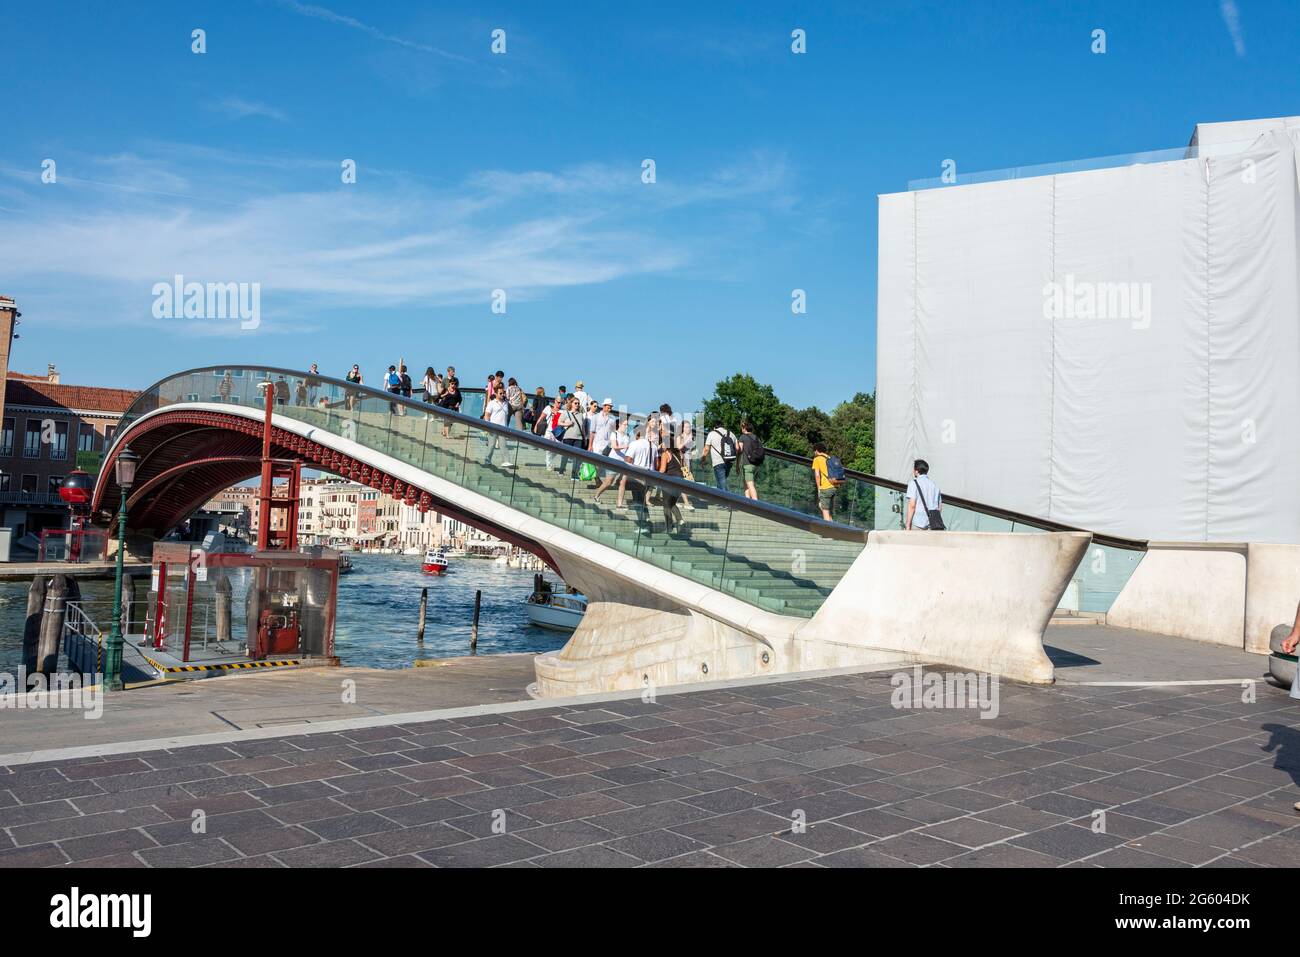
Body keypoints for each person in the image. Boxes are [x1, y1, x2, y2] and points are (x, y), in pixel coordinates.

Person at [594, 417, 629, 505]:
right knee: (609, 482)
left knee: (622, 482)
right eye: (625, 424)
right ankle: (596, 495)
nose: (627, 426)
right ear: (620, 425)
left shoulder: (627, 436)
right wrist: (626, 446)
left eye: (627, 425)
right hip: (613, 461)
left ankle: (619, 504)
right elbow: (614, 446)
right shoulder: (614, 434)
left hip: (624, 462)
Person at [658, 428, 686, 533]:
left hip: (670, 482)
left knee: (666, 504)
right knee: (672, 503)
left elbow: (662, 470)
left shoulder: (666, 454)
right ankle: (680, 520)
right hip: (680, 482)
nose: (662, 446)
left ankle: (669, 527)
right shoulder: (679, 454)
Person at [905, 458, 943, 530]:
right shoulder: (935, 485)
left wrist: (908, 525)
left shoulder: (913, 483)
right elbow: (939, 508)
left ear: (916, 471)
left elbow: (912, 505)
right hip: (933, 524)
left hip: (918, 523)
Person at [811, 441, 843, 521]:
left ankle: (829, 530)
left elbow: (817, 475)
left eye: (814, 451)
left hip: (825, 488)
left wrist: (819, 488)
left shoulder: (817, 459)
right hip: (834, 486)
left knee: (825, 511)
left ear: (816, 450)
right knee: (823, 507)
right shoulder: (829, 458)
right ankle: (832, 526)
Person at [482, 385, 512, 466]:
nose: (502, 394)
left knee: (503, 445)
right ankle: (487, 459)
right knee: (491, 444)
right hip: (493, 427)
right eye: (500, 393)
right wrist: (487, 425)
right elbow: (487, 414)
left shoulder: (506, 403)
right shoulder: (492, 403)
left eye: (503, 393)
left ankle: (506, 461)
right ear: (495, 393)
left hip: (503, 427)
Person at [704, 421, 738, 491]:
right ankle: (720, 500)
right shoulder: (731, 433)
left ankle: (728, 500)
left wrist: (703, 459)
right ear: (723, 426)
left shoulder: (712, 433)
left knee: (722, 483)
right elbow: (737, 448)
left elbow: (706, 449)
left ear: (714, 427)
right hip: (729, 460)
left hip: (718, 461)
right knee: (721, 481)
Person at [737, 420, 763, 500]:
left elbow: (740, 450)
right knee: (746, 484)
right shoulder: (756, 437)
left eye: (742, 427)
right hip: (756, 464)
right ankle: (747, 502)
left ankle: (756, 505)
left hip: (747, 464)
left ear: (745, 428)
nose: (741, 428)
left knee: (750, 485)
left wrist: (736, 447)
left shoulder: (742, 437)